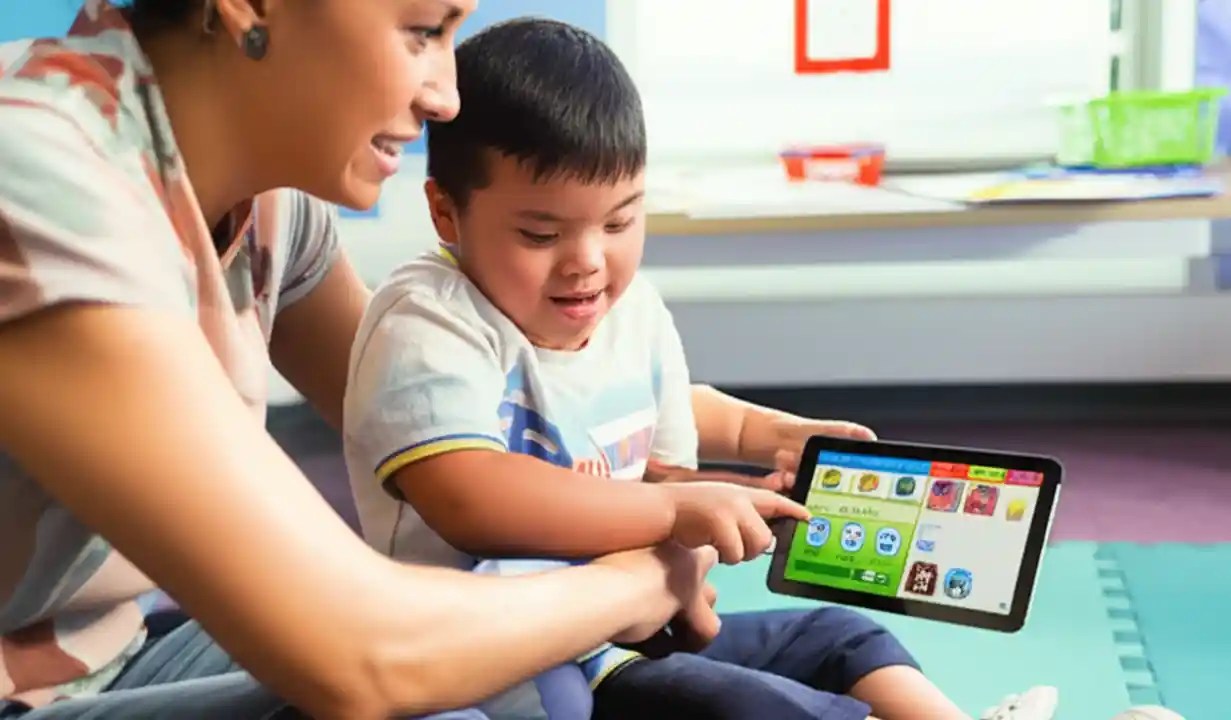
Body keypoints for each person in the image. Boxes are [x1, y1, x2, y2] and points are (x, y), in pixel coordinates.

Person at [0, 1, 749, 717]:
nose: (448, 96)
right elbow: (364, 657)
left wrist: (749, 438)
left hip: (118, 660)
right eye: (422, 31)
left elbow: (443, 406)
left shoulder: (270, 206)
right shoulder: (38, 173)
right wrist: (643, 577)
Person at [342, 18, 1068, 720]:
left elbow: (644, 450)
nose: (588, 261)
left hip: (623, 625)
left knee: (839, 638)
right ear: (446, 215)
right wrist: (674, 512)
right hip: (499, 659)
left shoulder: (627, 312)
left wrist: (763, 449)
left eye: (620, 222)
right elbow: (467, 494)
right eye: (541, 233)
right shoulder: (429, 319)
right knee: (748, 706)